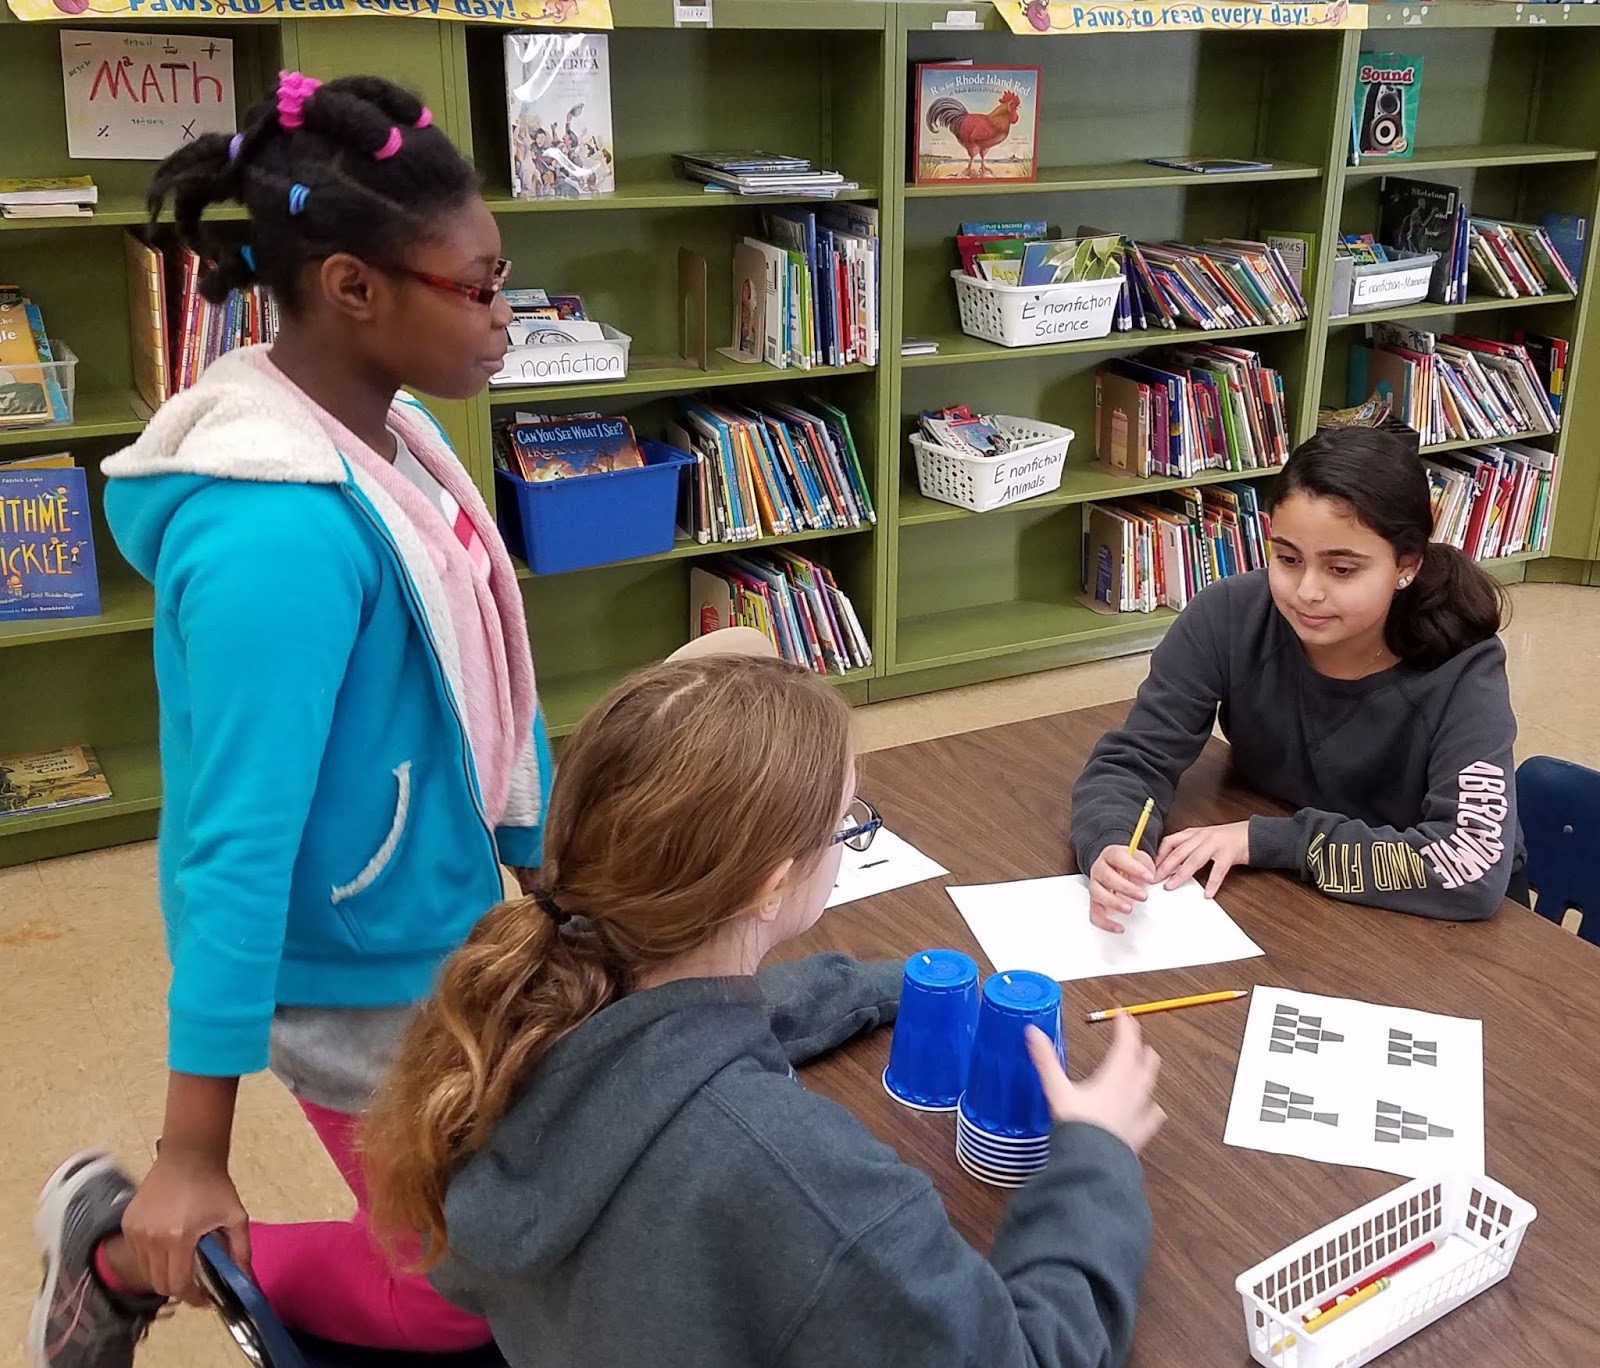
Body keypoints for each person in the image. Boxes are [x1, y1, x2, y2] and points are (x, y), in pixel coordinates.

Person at [29, 71, 550, 1368]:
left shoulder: (402, 436)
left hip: (448, 921)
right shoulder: (274, 535)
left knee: (541, 1208)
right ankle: (111, 1250)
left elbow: (485, 671)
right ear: (353, 289)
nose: (505, 320)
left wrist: (551, 888)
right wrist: (191, 1155)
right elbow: (236, 845)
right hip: (348, 967)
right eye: (477, 288)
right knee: (459, 1295)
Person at [363, 652, 1166, 1367]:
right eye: (847, 824)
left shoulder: (514, 1013)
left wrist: (891, 987)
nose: (851, 834)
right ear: (770, 885)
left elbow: (675, 1041)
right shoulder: (808, 1187)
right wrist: (1095, 1158)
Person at [1072, 425, 1522, 929]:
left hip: (1417, 926)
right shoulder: (1227, 616)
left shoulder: (1465, 669)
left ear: (1407, 566)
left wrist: (1273, 841)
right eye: (1287, 559)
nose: (1307, 591)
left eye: (1342, 570)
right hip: (1283, 907)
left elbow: (1470, 866)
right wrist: (1110, 841)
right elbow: (1136, 760)